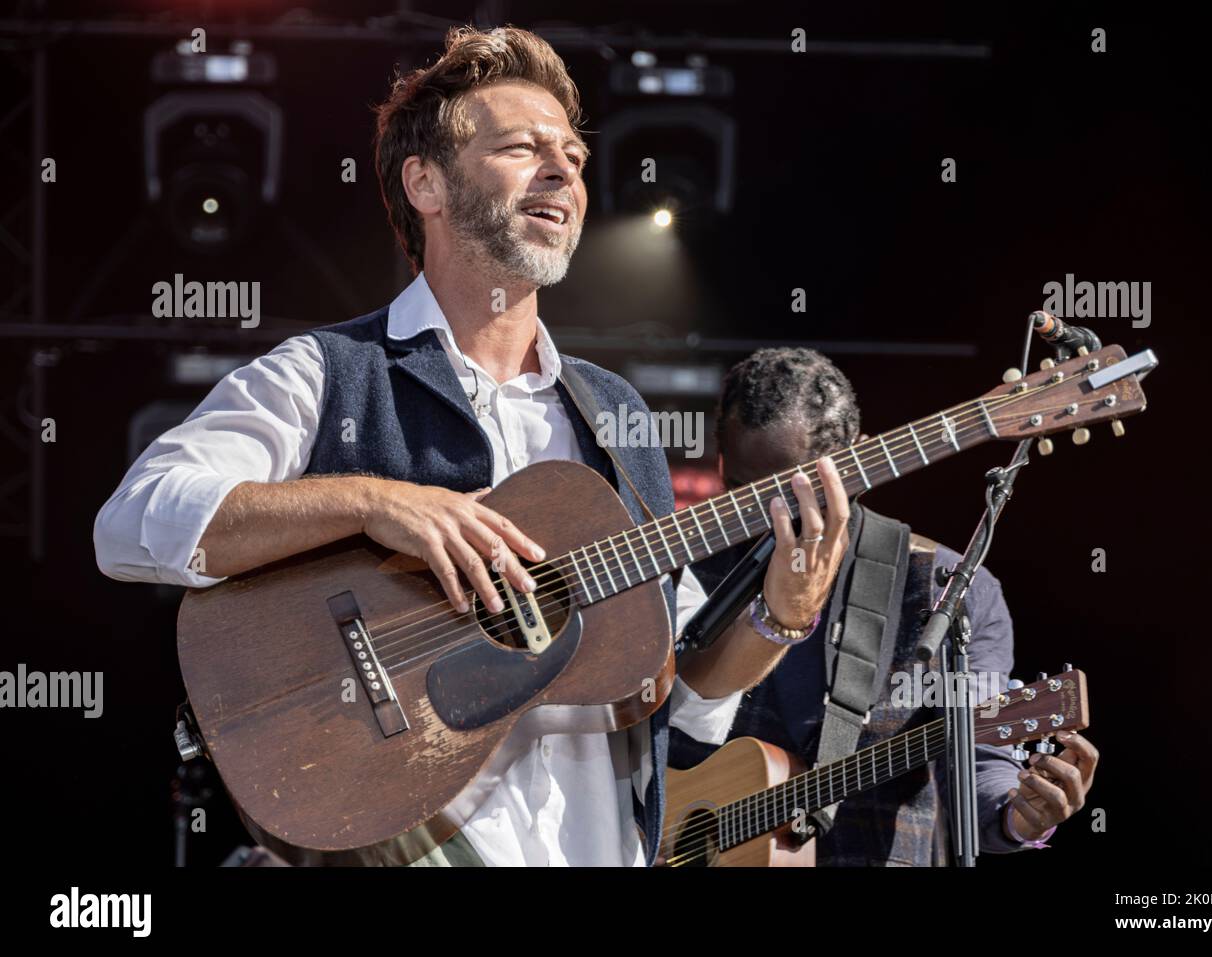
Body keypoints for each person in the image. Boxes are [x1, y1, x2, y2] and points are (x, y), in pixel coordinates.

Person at [94, 27, 851, 867]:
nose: (563, 169)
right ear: (427, 182)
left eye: (572, 152)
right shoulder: (329, 373)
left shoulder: (613, 411)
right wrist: (379, 503)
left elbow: (680, 694)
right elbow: (132, 522)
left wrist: (779, 617)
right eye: (524, 147)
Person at [670, 347, 1099, 865]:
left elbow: (979, 767)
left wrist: (1017, 816)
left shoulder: (949, 589)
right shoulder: (685, 571)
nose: (767, 518)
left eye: (793, 494)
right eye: (740, 489)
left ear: (860, 464)